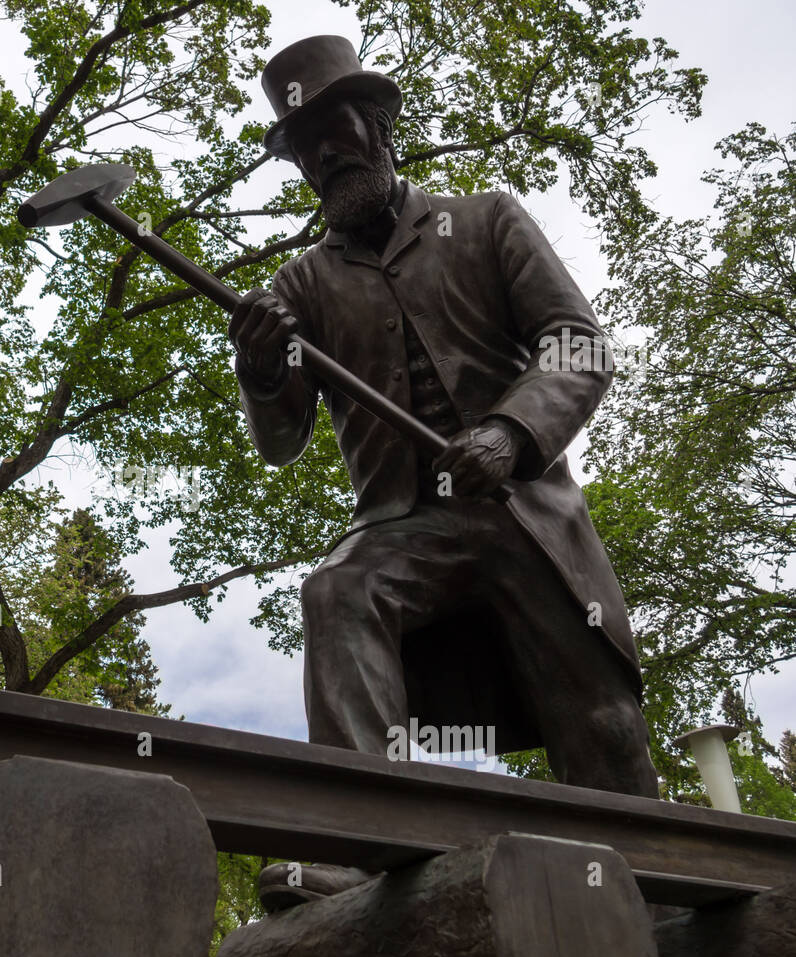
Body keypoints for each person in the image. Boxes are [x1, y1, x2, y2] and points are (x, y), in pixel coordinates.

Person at [229, 36, 659, 912]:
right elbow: (282, 442)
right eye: (305, 146)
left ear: (383, 124)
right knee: (336, 592)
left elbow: (577, 343)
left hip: (522, 514)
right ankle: (365, 837)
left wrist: (509, 432)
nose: (324, 155)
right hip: (402, 528)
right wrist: (265, 370)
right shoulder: (299, 285)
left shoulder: (489, 219)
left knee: (606, 736)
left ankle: (657, 889)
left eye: (336, 128)